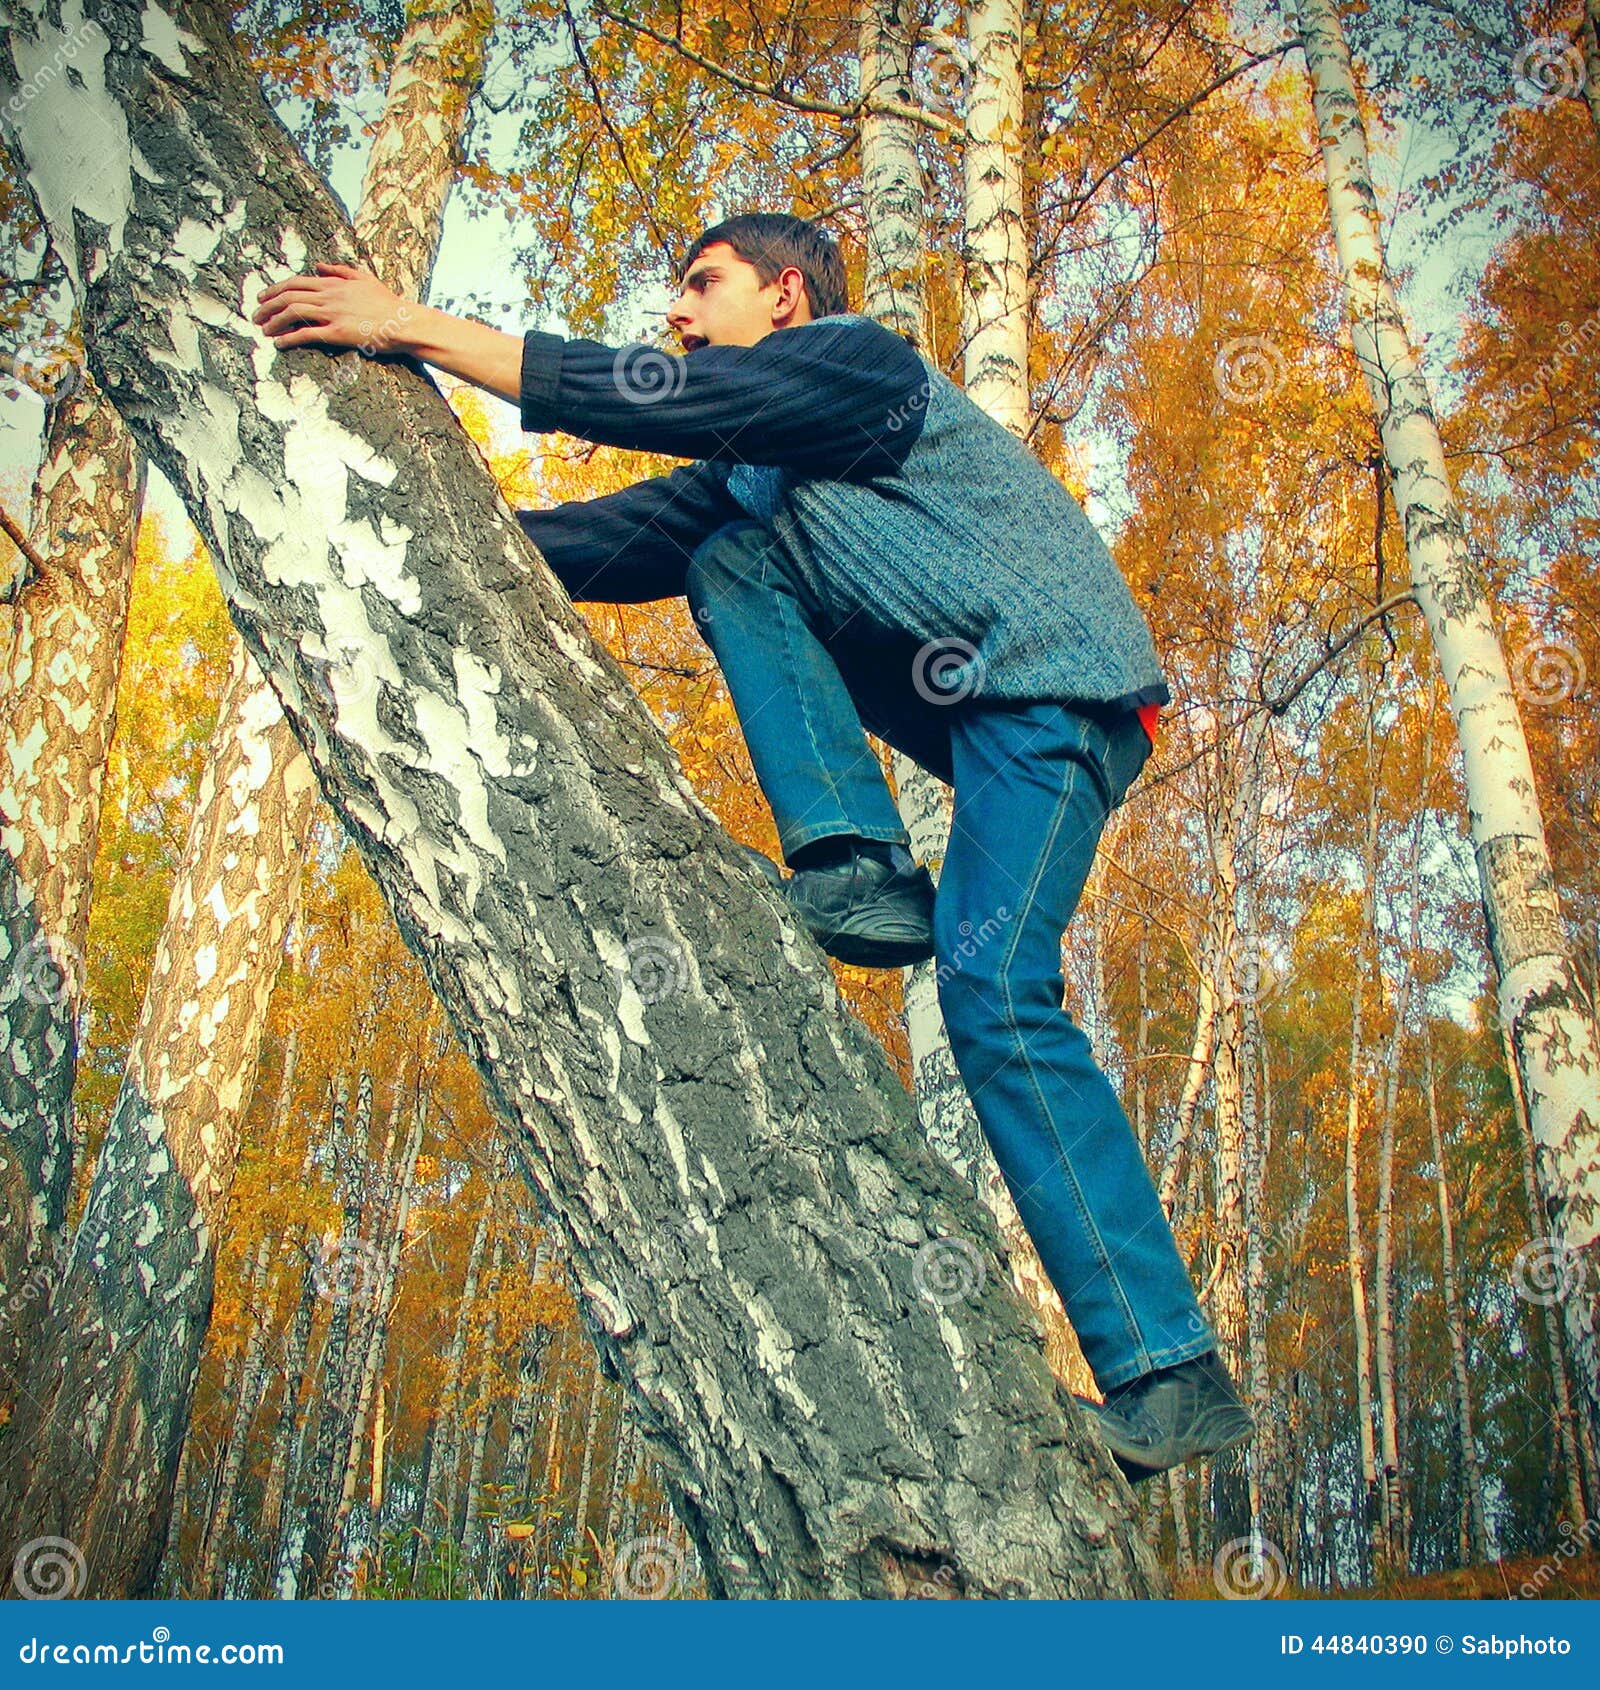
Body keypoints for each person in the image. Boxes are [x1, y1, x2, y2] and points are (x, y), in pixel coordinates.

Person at [253, 212, 1252, 1480]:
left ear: (783, 298)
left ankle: (1170, 1372)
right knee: (727, 543)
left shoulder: (858, 365)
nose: (673, 311)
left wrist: (411, 324)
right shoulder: (756, 473)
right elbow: (604, 540)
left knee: (998, 992)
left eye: (698, 283)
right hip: (999, 721)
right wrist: (391, 529)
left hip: (1064, 699)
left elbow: (646, 394)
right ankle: (859, 875)